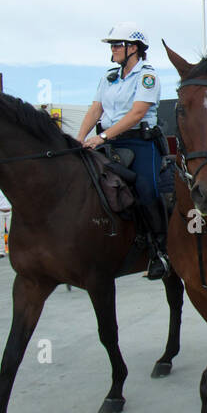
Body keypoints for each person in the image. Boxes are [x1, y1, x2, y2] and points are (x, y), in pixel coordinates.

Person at [77, 22, 170, 279]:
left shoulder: (147, 76)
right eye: (113, 45)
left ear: (134, 48)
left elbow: (137, 113)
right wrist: (80, 139)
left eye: (118, 44)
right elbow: (96, 109)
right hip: (108, 142)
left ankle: (160, 251)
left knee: (146, 188)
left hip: (140, 143)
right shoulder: (108, 77)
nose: (114, 49)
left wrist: (102, 136)